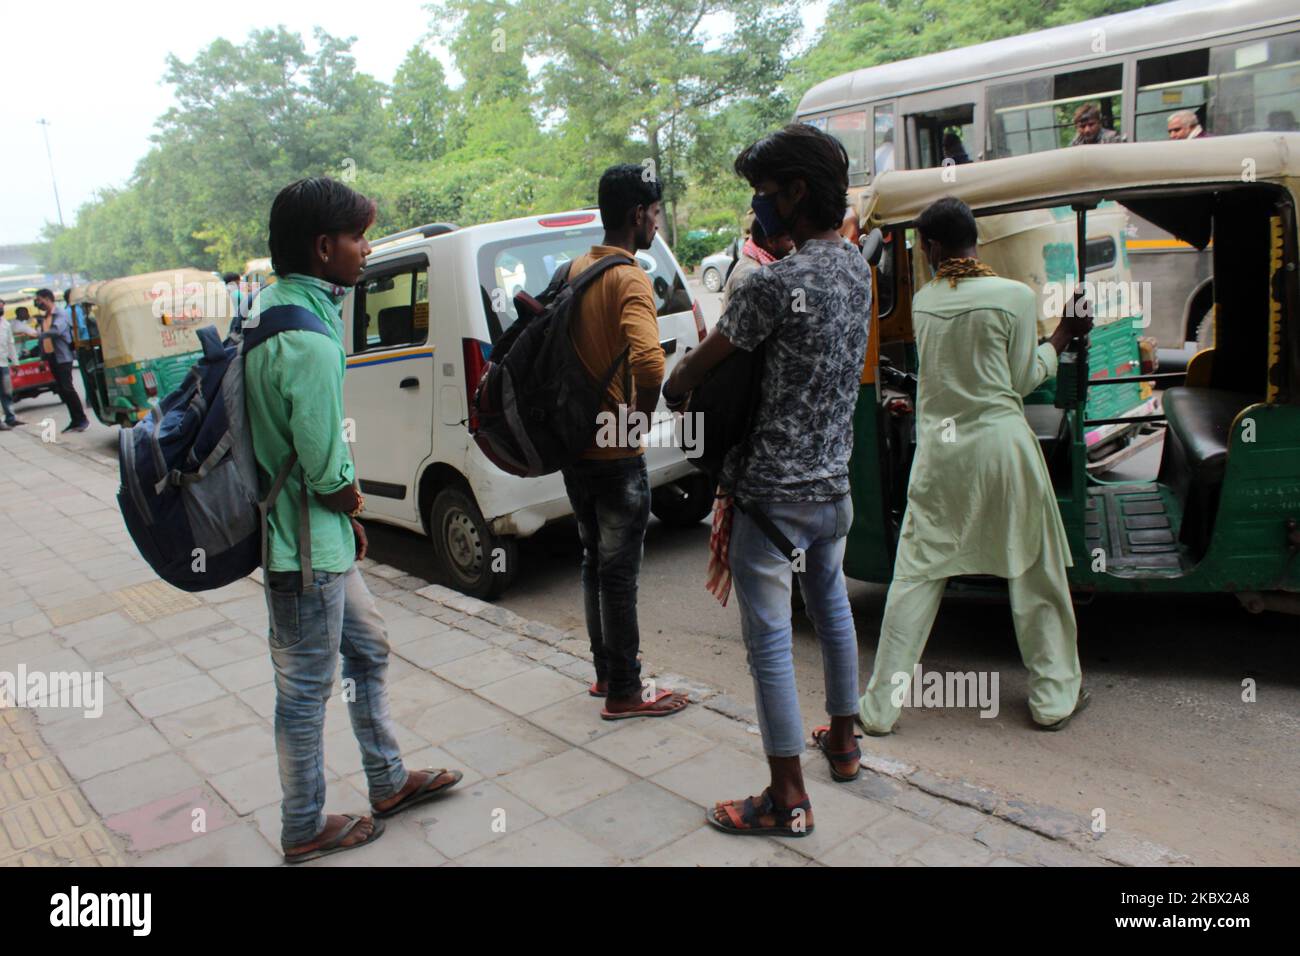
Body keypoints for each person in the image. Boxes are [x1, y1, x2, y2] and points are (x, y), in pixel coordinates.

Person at [244, 177, 463, 863]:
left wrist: (346, 520)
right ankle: (304, 824)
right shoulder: (307, 339)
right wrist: (351, 503)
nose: (366, 250)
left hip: (319, 539)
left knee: (366, 650)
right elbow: (322, 464)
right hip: (302, 551)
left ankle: (389, 781)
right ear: (322, 246)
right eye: (358, 237)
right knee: (305, 691)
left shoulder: (272, 308)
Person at [663, 123, 870, 837]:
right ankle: (844, 742)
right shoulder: (857, 269)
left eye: (763, 194)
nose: (758, 210)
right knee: (834, 611)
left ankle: (786, 799)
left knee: (772, 645)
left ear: (795, 192)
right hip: (833, 489)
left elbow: (696, 370)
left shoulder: (772, 286)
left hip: (771, 498)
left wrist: (672, 382)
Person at [857, 196, 1092, 736]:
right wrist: (1062, 335)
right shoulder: (1014, 297)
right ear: (974, 240)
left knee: (914, 580)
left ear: (933, 248)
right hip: (1002, 451)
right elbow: (1023, 378)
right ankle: (1053, 700)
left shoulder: (924, 303)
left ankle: (878, 711)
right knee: (1036, 574)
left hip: (941, 459)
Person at [563, 164, 690, 721]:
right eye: (656, 215)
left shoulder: (576, 268)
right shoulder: (630, 276)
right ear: (638, 215)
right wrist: (636, 424)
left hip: (575, 448)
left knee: (594, 561)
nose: (657, 226)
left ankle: (603, 675)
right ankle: (625, 691)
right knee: (619, 574)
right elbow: (649, 362)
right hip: (615, 454)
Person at [32, 288, 89, 433]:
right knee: (62, 390)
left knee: (67, 388)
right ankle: (75, 420)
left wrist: (41, 333)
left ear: (47, 298)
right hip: (52, 357)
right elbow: (43, 341)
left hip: (63, 357)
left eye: (39, 300)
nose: (38, 303)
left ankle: (81, 419)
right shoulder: (46, 317)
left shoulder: (60, 314)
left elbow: (57, 331)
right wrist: (41, 359)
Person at [720, 217, 793, 313]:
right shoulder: (749, 276)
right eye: (789, 239)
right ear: (770, 242)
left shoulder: (757, 266)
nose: (792, 245)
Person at [0, 303, 24, 430]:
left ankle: (11, 417)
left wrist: (15, 362)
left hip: (3, 363)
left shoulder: (6, 324)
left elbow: (10, 343)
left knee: (7, 392)